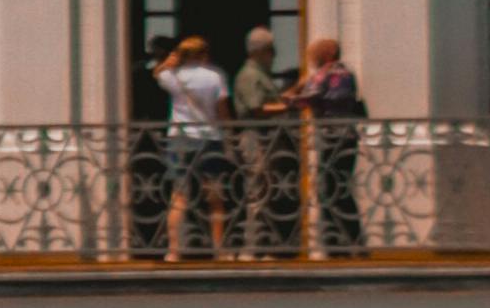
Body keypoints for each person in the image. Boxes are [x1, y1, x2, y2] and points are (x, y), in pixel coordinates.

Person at [152, 30, 228, 262]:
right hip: (209, 137)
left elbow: (157, 74)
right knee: (214, 195)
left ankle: (173, 250)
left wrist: (170, 60)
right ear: (204, 54)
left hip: (180, 138)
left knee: (179, 194)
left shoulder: (174, 77)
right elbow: (222, 109)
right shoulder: (214, 77)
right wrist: (228, 128)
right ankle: (219, 249)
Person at [297, 29, 365, 254]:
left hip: (340, 138)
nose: (311, 57)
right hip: (328, 138)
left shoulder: (339, 72)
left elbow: (329, 95)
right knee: (327, 188)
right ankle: (335, 243)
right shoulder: (321, 73)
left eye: (315, 53)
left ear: (329, 53)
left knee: (338, 188)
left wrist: (302, 98)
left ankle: (350, 244)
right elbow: (309, 92)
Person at [229, 27, 293, 260]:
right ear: (261, 51)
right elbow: (257, 108)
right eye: (271, 50)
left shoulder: (260, 74)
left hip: (266, 137)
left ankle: (265, 243)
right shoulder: (250, 75)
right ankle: (252, 247)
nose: (275, 55)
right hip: (255, 138)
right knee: (257, 190)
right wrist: (288, 107)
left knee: (265, 190)